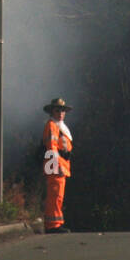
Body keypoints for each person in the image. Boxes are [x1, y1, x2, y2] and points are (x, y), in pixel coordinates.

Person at [42, 96, 73, 233]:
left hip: (61, 166)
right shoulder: (52, 126)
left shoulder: (60, 127)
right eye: (57, 110)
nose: (60, 113)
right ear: (52, 112)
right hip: (55, 167)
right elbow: (52, 147)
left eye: (62, 110)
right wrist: (57, 166)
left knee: (58, 196)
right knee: (54, 196)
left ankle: (56, 223)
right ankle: (52, 226)